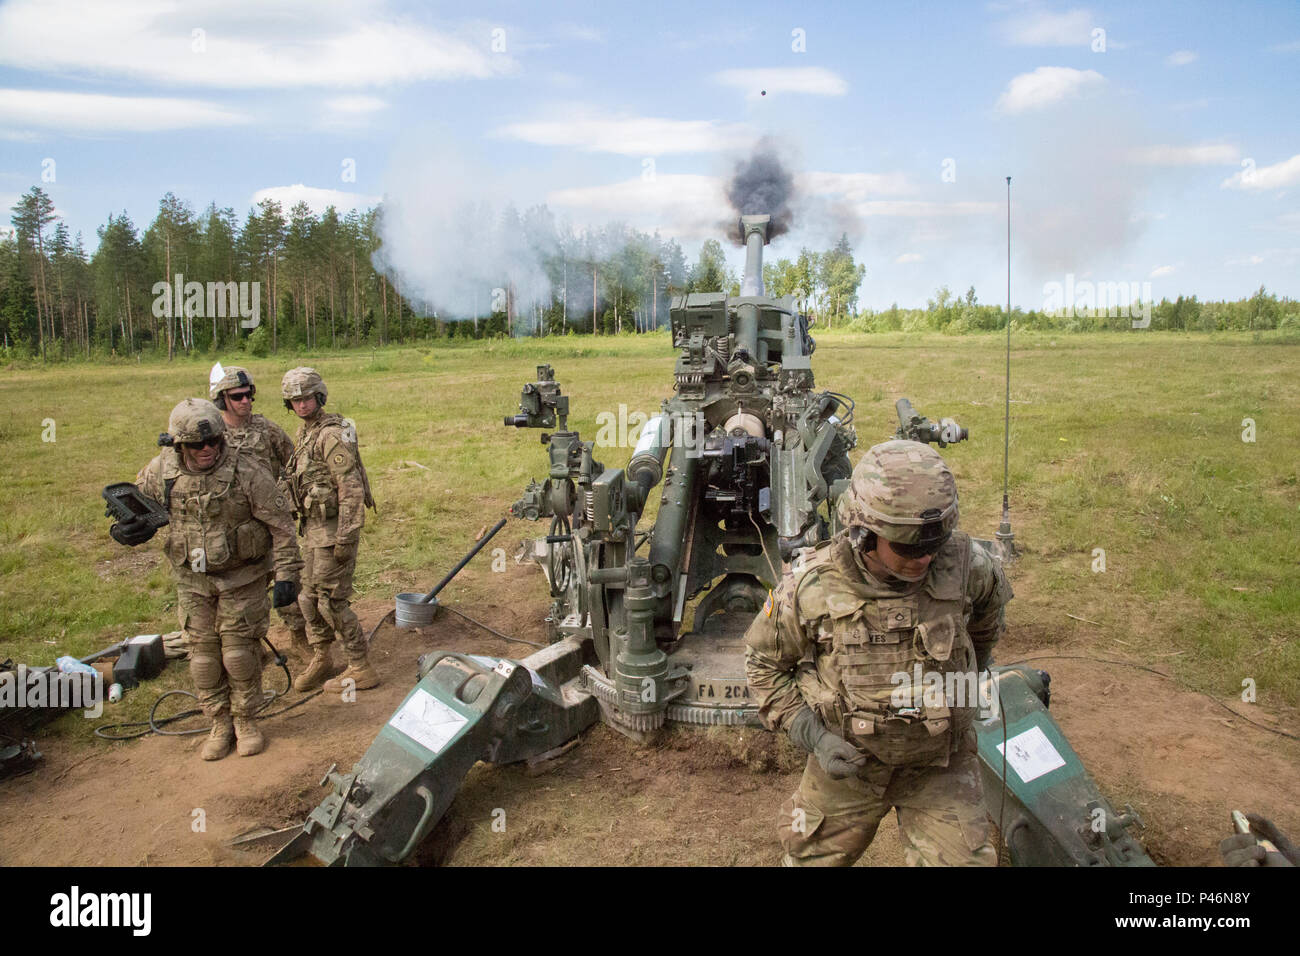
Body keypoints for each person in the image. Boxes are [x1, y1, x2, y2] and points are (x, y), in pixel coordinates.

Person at [745, 439, 1013, 866]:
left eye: (934, 543)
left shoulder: (967, 565)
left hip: (938, 764)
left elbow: (985, 621)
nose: (925, 557)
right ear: (863, 534)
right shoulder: (810, 587)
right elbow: (763, 666)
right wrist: (815, 737)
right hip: (849, 764)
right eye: (908, 547)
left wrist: (965, 682)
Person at [110, 399, 302, 759]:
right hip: (193, 581)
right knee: (203, 657)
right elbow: (139, 513)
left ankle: (246, 720)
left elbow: (282, 526)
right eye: (197, 444)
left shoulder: (247, 470)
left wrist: (288, 574)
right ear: (178, 445)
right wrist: (125, 531)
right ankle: (219, 721)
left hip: (242, 578)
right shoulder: (161, 472)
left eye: (214, 440)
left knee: (239, 654)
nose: (208, 449)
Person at [281, 367, 378, 694]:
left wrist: (346, 538)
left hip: (334, 530)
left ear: (319, 396)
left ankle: (360, 665)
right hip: (313, 529)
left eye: (307, 398)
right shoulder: (305, 432)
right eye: (295, 400)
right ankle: (323, 656)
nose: (302, 405)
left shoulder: (330, 434)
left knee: (331, 602)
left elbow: (349, 488)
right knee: (307, 598)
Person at [209, 363, 309, 659]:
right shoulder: (212, 435)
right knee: (237, 598)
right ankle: (245, 647)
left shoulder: (266, 430)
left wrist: (290, 498)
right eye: (237, 396)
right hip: (231, 531)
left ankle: (299, 638)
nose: (245, 402)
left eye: (248, 395)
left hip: (270, 524)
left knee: (287, 584)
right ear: (221, 399)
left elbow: (295, 462)